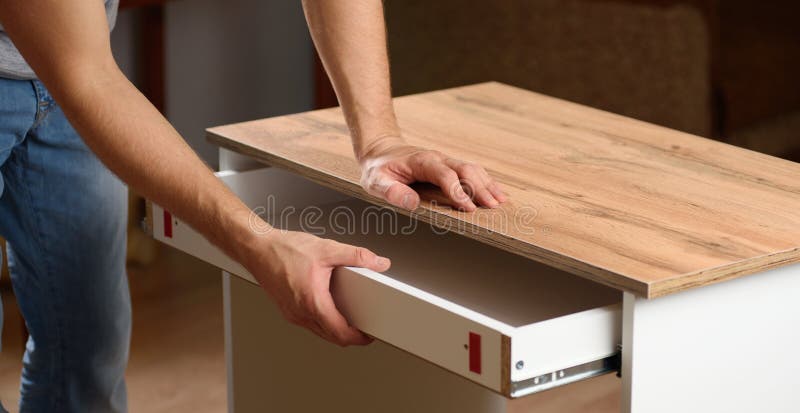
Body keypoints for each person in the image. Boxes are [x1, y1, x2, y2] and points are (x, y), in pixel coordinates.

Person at [0, 0, 505, 411]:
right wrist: (259, 244)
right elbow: (87, 79)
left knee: (87, 347)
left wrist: (379, 141)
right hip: (72, 61)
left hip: (77, 50)